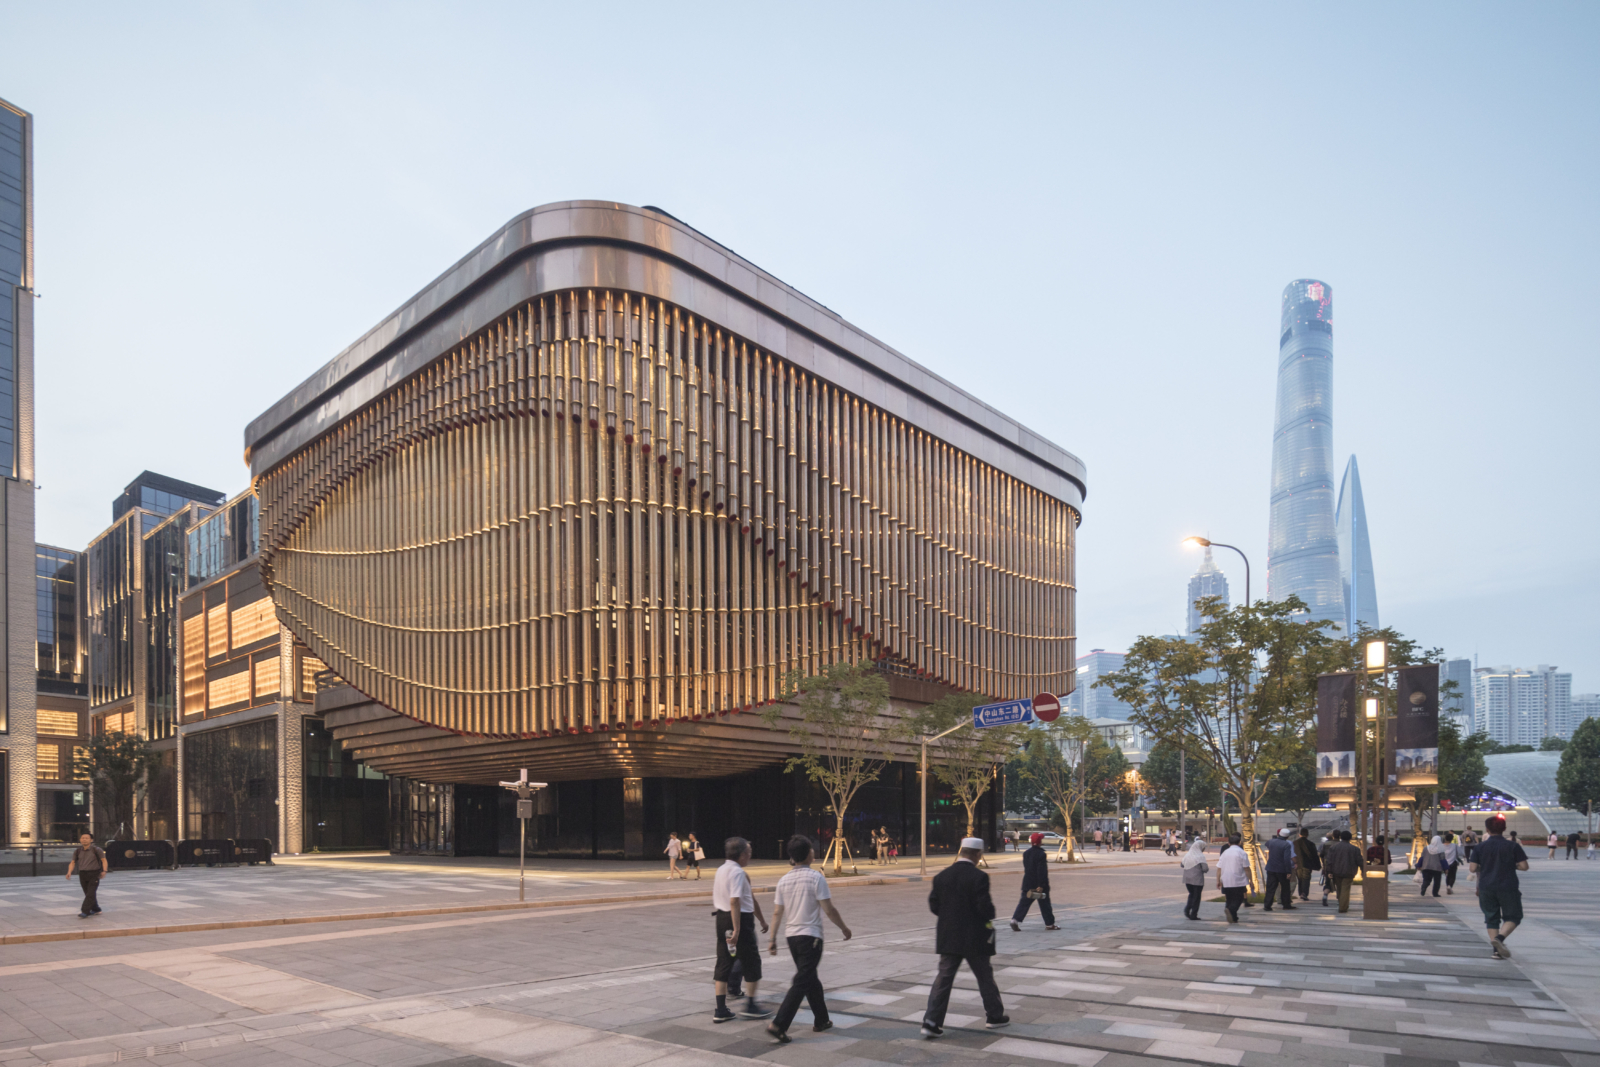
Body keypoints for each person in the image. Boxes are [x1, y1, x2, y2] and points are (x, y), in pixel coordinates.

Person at [765, 835, 851, 1044]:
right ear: (809, 854)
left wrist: (772, 939)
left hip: (792, 938)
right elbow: (828, 909)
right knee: (802, 980)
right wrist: (844, 928)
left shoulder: (784, 880)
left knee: (809, 977)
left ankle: (821, 1020)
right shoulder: (816, 877)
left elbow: (777, 913)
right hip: (811, 937)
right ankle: (779, 1024)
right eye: (812, 849)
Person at [919, 837, 1007, 1038]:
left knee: (944, 978)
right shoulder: (979, 877)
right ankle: (994, 1016)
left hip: (949, 936)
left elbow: (934, 905)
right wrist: (989, 916)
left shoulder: (942, 876)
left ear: (961, 852)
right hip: (975, 937)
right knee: (985, 976)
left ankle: (931, 1021)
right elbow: (984, 907)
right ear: (978, 854)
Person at [712, 836, 771, 1021]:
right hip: (739, 921)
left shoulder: (721, 870)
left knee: (723, 961)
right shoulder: (738, 873)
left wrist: (761, 920)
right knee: (751, 961)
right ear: (742, 854)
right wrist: (737, 930)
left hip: (721, 919)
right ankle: (751, 1005)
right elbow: (735, 901)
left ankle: (720, 1010)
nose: (750, 856)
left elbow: (750, 899)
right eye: (749, 852)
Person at [1469, 814, 1529, 959]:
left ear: (1487, 829)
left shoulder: (1480, 847)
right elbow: (1524, 866)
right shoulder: (1513, 846)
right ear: (1504, 829)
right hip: (1508, 886)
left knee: (1491, 917)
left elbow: (1472, 868)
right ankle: (1500, 939)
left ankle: (1496, 952)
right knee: (1514, 916)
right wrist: (1511, 865)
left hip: (1486, 886)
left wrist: (1486, 867)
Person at [1009, 832, 1060, 931]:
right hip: (1039, 886)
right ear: (1040, 841)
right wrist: (1041, 885)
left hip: (1027, 883)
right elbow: (1041, 871)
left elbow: (1027, 868)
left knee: (1024, 903)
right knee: (1045, 904)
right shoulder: (1041, 854)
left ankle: (1015, 920)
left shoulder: (1026, 853)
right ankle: (1049, 924)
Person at [65, 833, 108, 918]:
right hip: (83, 874)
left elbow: (104, 860)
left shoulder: (96, 850)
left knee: (90, 893)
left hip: (94, 873)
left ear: (91, 840)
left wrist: (104, 870)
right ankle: (96, 909)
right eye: (82, 838)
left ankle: (85, 911)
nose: (84, 839)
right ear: (80, 840)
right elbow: (73, 862)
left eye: (86, 838)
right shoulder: (77, 851)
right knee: (88, 893)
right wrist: (69, 872)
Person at [1323, 830, 1364, 913]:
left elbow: (1329, 861)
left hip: (1336, 871)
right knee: (1345, 889)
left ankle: (1341, 902)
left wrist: (1329, 871)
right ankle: (1343, 907)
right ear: (1350, 838)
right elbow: (1360, 861)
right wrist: (1363, 870)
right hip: (1349, 872)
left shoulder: (1333, 847)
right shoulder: (1355, 849)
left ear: (1341, 837)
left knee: (1339, 888)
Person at [1216, 833, 1248, 923]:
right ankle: (1230, 909)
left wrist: (1218, 880)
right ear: (1239, 842)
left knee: (1229, 898)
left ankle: (1233, 917)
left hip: (1226, 879)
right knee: (1239, 898)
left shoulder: (1224, 853)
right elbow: (1247, 868)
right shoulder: (1242, 852)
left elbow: (1219, 868)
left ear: (1228, 843)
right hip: (1238, 880)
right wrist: (1251, 880)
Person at [1262, 828, 1296, 911]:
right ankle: (1286, 904)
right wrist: (1288, 871)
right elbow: (1286, 859)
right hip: (1282, 869)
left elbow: (1266, 844)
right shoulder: (1286, 845)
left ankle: (1267, 905)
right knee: (1285, 887)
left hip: (1271, 868)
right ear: (1287, 837)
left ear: (1278, 834)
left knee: (1270, 887)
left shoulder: (1271, 842)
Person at [1180, 838, 1208, 920]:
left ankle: (1187, 909)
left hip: (1187, 879)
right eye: (1203, 847)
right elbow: (1205, 868)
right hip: (1197, 880)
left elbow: (1182, 865)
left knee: (1191, 894)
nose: (1204, 849)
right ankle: (1193, 914)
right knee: (1197, 897)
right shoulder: (1200, 856)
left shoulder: (1187, 855)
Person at [1293, 828, 1320, 901]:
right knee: (1306, 879)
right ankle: (1304, 893)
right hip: (1307, 865)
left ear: (1299, 834)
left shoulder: (1294, 843)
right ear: (1307, 835)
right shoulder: (1311, 844)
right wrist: (1317, 866)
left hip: (1297, 864)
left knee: (1300, 879)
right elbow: (1315, 855)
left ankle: (1301, 893)